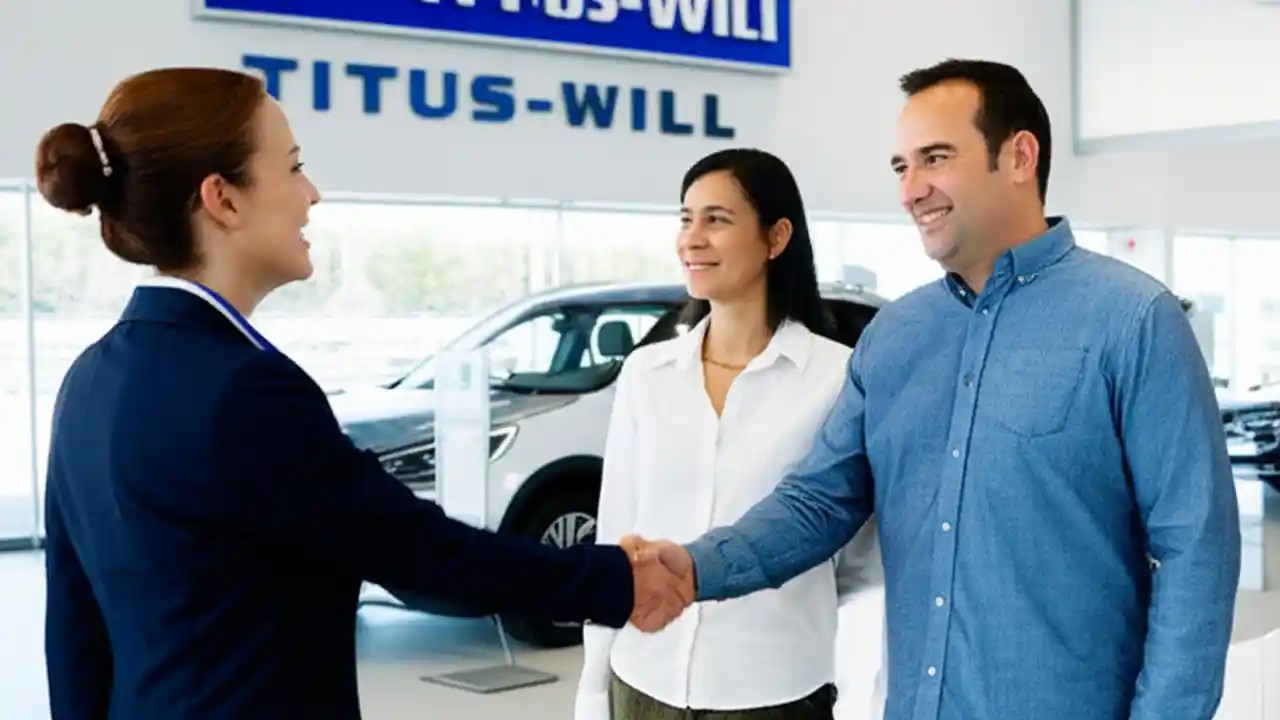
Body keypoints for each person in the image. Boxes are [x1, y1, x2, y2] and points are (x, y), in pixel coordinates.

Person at [35, 67, 688, 720]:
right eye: (292, 168)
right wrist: (614, 582)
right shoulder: (247, 390)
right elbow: (419, 553)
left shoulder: (89, 379)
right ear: (223, 199)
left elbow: (74, 627)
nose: (311, 195)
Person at [626, 59, 1242, 720]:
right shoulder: (895, 337)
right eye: (900, 167)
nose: (911, 190)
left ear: (1020, 156)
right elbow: (818, 502)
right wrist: (693, 568)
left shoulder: (1131, 321)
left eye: (935, 158)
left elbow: (1194, 550)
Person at [573, 148, 885, 720]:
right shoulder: (648, 374)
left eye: (716, 220)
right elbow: (616, 530)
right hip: (643, 681)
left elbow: (859, 563)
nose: (692, 238)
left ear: (776, 237)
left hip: (773, 692)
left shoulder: (839, 378)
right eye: (686, 219)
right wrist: (593, 688)